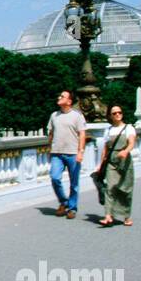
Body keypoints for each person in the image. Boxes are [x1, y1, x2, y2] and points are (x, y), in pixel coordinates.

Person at [47, 88, 87, 219]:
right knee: (55, 178)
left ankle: (72, 208)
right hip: (57, 153)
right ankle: (64, 202)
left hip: (72, 153)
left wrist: (80, 152)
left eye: (62, 96)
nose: (59, 97)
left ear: (69, 101)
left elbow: (82, 134)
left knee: (74, 183)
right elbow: (51, 133)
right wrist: (49, 148)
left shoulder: (77, 116)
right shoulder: (54, 116)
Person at [96, 103, 136, 227]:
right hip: (111, 162)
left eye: (120, 112)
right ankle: (108, 216)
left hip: (125, 162)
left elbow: (131, 142)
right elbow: (105, 150)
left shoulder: (129, 128)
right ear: (110, 116)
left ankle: (127, 216)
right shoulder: (108, 130)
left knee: (125, 189)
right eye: (114, 113)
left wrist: (126, 151)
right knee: (110, 188)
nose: (118, 115)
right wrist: (100, 164)